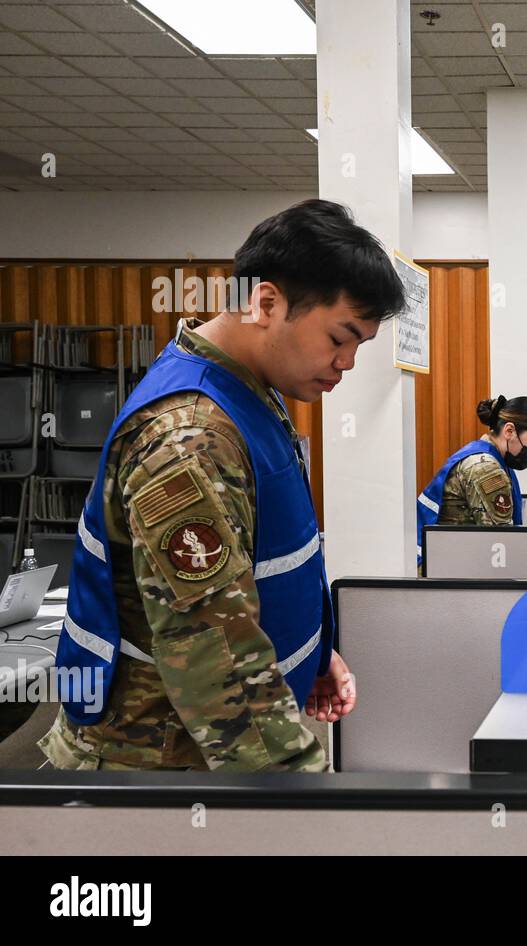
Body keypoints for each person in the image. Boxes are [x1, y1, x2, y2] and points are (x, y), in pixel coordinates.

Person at [41, 199, 406, 771]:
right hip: (155, 760)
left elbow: (257, 561)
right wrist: (311, 802)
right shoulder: (188, 435)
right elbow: (214, 658)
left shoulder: (245, 390)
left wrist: (307, 652)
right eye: (342, 337)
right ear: (266, 302)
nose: (349, 363)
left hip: (199, 749)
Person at [417, 396, 527, 557]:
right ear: (509, 431)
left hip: (453, 558)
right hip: (455, 566)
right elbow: (501, 541)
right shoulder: (486, 468)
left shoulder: (485, 454)